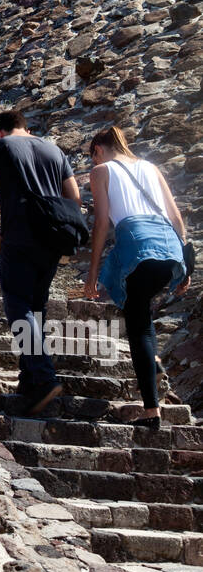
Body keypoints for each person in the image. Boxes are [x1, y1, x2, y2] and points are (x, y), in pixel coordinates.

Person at [0, 109, 82, 416]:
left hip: (18, 235)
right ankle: (29, 382)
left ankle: (46, 379)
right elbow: (75, 199)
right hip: (51, 239)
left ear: (0, 132)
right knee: (36, 308)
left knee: (17, 306)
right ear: (26, 126)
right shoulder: (53, 148)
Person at [84, 126, 190, 428]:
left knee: (138, 326)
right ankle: (153, 365)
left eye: (92, 157)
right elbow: (176, 217)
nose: (93, 162)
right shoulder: (151, 168)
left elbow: (102, 224)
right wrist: (185, 263)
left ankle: (151, 411)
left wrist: (92, 273)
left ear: (98, 150)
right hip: (169, 249)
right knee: (140, 310)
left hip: (138, 247)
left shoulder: (101, 171)